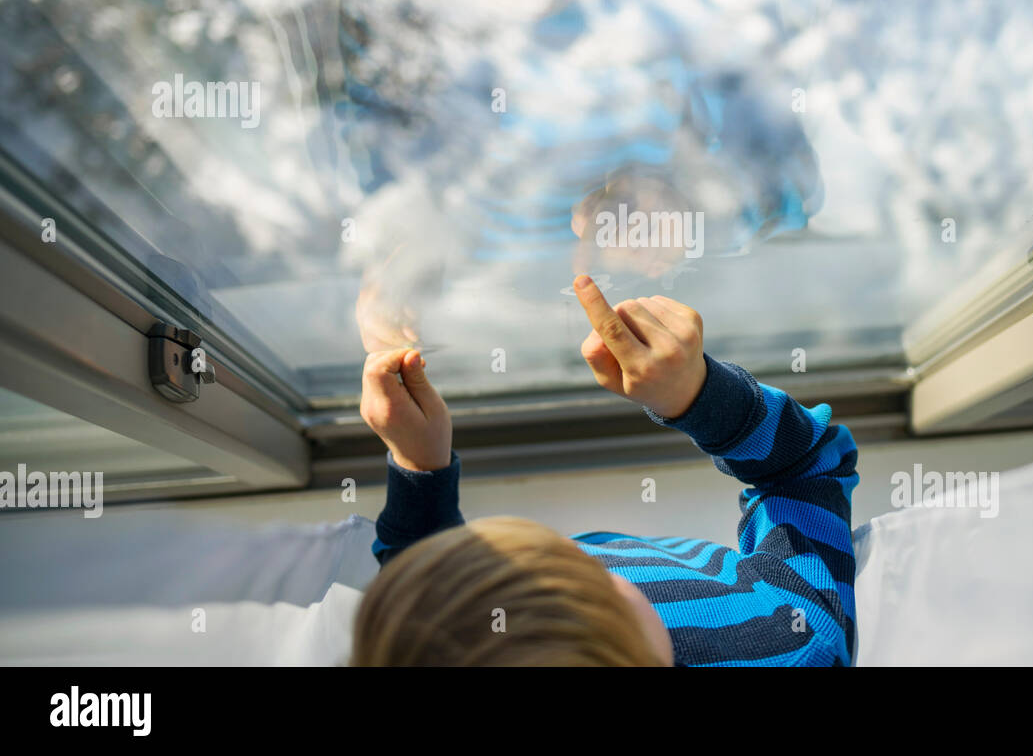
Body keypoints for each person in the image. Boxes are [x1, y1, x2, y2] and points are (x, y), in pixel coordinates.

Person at [351, 274, 859, 666]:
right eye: (583, 577)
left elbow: (426, 595)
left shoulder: (459, 635)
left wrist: (420, 463)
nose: (583, 557)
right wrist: (701, 397)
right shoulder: (792, 640)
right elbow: (810, 469)